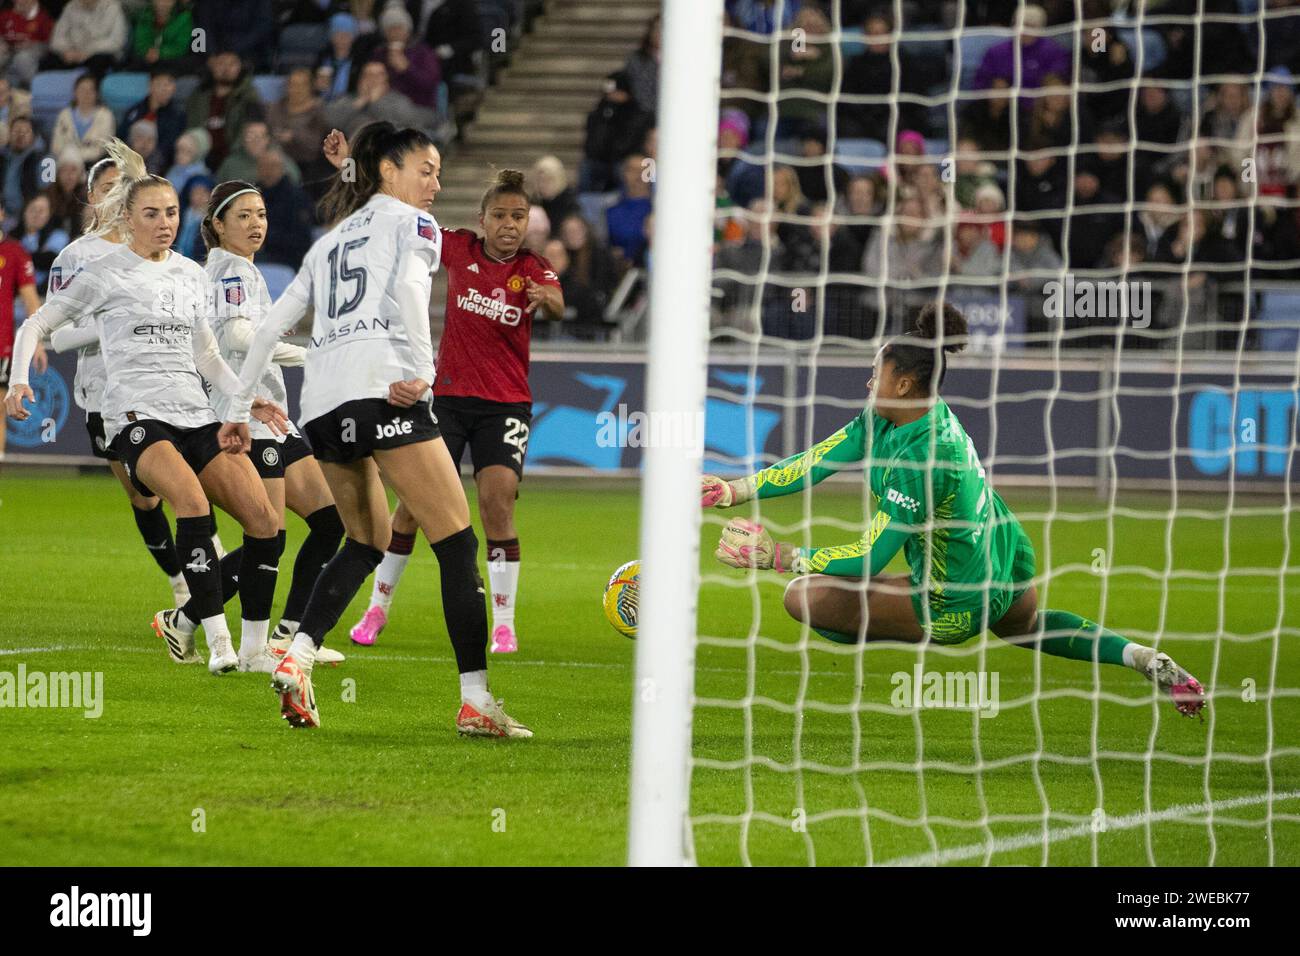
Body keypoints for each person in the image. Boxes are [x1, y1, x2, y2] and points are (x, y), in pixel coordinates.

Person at [702, 303, 1206, 719]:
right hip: (1001, 553)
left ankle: (891, 631)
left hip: (953, 599)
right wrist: (736, 490)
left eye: (876, 372)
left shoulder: (920, 458)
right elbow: (817, 460)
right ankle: (1140, 657)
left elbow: (869, 559)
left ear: (902, 384)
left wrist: (779, 555)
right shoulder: (905, 416)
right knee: (1029, 628)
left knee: (804, 598)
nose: (867, 380)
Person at [226, 121, 531, 736]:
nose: (436, 183)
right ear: (390, 172)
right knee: (456, 544)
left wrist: (236, 412)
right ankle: (476, 701)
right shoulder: (410, 223)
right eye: (427, 169)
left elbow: (266, 332)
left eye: (440, 172)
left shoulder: (330, 244)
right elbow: (413, 287)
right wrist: (424, 370)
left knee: (363, 541)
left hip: (325, 406)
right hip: (383, 390)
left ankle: (297, 654)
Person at [4, 140, 290, 677]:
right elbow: (36, 324)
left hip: (195, 413)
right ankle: (219, 641)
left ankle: (249, 650)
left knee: (265, 522)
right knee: (192, 506)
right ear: (128, 218)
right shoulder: (105, 272)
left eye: (172, 213)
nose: (164, 222)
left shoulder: (188, 273)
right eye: (152, 214)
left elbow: (205, 354)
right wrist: (18, 380)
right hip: (135, 416)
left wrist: (248, 397)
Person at [325, 133, 563, 655]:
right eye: (500, 216)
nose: (509, 225)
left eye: (518, 217)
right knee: (410, 506)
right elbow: (385, 209)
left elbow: (559, 303)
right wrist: (348, 167)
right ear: (483, 220)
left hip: (505, 404)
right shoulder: (455, 246)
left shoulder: (533, 268)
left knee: (497, 503)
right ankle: (377, 609)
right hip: (448, 398)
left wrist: (549, 299)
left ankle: (504, 622)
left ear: (528, 223)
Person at [40, 155, 204, 606]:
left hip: (174, 391)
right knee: (146, 498)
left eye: (124, 188)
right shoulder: (76, 257)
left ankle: (208, 572)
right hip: (107, 396)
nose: (116, 196)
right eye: (108, 188)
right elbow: (60, 335)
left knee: (196, 489)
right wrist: (116, 323)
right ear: (92, 197)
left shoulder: (164, 255)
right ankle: (178, 581)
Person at [201, 179, 346, 671]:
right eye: (242, 215)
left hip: (274, 415)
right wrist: (313, 354)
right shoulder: (229, 272)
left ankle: (290, 632)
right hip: (246, 413)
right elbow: (239, 336)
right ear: (218, 225)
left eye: (260, 213)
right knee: (270, 534)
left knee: (330, 523)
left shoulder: (245, 270)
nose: (255, 223)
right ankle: (216, 631)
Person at [0, 213, 43, 460]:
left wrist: (36, 341)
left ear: (3, 214)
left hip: (1, 347)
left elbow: (30, 300)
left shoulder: (14, 252)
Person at [51, 73, 115, 165]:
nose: (86, 94)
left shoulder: (106, 115)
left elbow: (102, 149)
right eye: (82, 89)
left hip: (94, 163)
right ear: (75, 92)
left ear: (97, 94)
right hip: (65, 163)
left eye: (90, 90)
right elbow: (56, 146)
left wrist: (74, 156)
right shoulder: (64, 115)